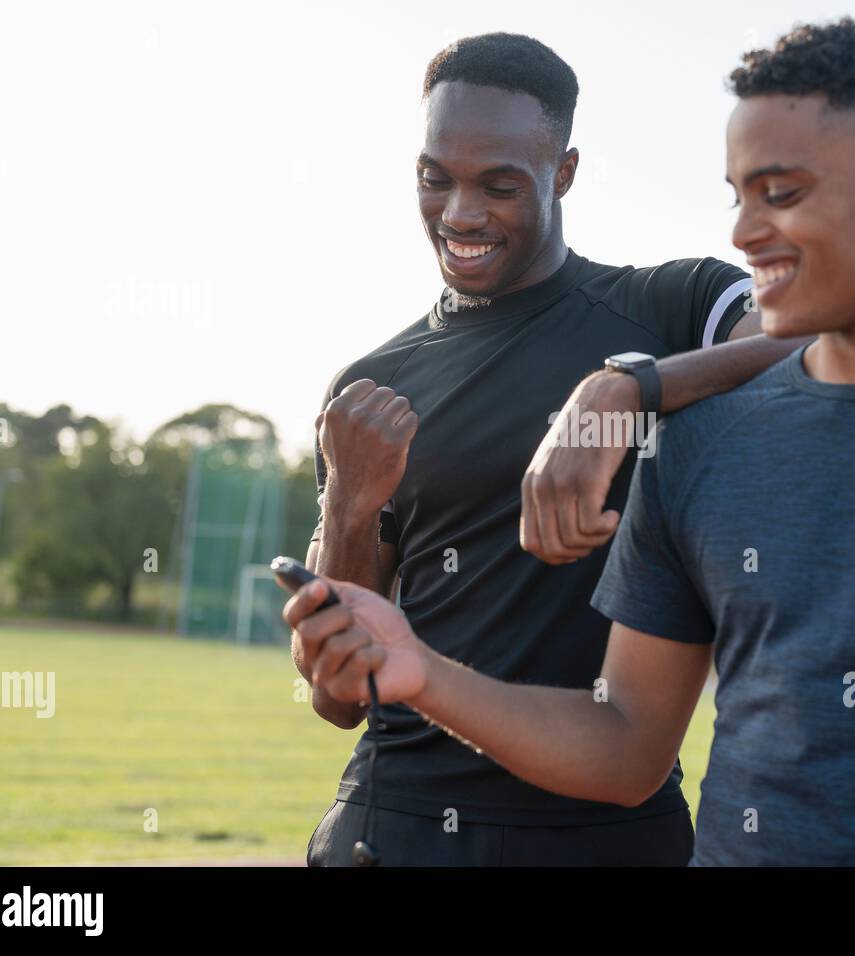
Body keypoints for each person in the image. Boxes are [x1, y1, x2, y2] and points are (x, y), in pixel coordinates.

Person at [286, 19, 855, 866]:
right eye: (738, 195)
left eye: (781, 193)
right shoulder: (695, 455)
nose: (743, 231)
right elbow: (618, 743)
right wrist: (407, 642)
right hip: (399, 820)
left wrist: (626, 385)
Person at [299, 31, 806, 866]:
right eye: (435, 179)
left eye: (499, 185)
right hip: (395, 823)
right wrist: (349, 504)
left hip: (607, 825)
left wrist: (627, 388)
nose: (460, 213)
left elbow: (826, 346)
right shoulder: (369, 386)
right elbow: (337, 696)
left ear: (563, 172)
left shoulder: (672, 305)